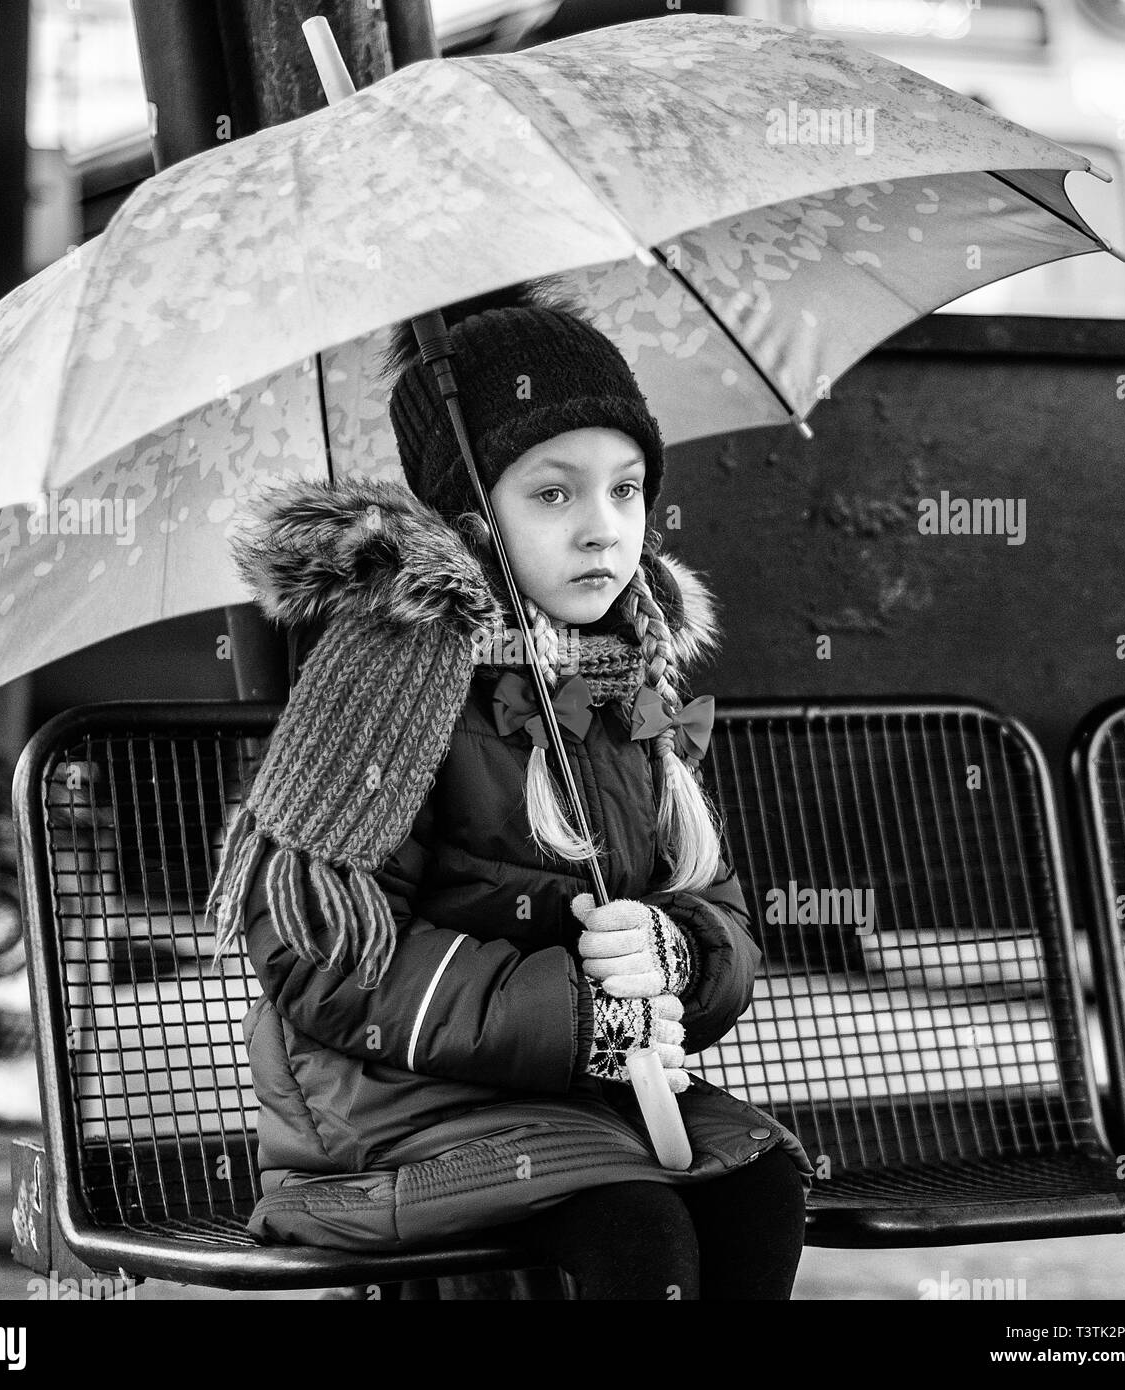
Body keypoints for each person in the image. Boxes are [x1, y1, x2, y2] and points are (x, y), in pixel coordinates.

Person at [205, 277, 814, 1300]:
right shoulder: (388, 675)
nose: (602, 528)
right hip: (392, 1108)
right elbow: (322, 952)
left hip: (581, 1096)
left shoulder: (619, 668)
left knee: (755, 1186)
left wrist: (673, 954)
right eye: (551, 491)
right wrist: (579, 1013)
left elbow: (712, 899)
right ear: (469, 519)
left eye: (626, 489)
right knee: (633, 1227)